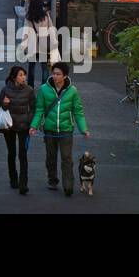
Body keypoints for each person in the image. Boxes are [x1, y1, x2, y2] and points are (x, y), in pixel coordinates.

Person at [30, 62, 90, 196]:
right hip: (49, 130)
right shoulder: (44, 89)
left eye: (58, 74)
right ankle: (52, 180)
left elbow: (78, 112)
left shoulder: (73, 91)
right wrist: (34, 126)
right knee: (51, 157)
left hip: (66, 130)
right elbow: (39, 110)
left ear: (65, 76)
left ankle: (68, 186)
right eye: (54, 73)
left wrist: (84, 129)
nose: (55, 76)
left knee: (66, 158)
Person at [0, 65, 35, 194]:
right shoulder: (5, 90)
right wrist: (5, 103)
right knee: (12, 153)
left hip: (24, 126)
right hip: (9, 127)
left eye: (24, 75)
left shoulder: (29, 90)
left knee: (22, 155)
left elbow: (34, 107)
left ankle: (23, 184)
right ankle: (13, 179)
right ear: (14, 77)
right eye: (20, 75)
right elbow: (0, 108)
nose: (23, 77)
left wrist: (29, 120)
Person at [20, 0, 59, 86]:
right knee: (44, 67)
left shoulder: (29, 17)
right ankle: (44, 87)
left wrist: (23, 46)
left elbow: (26, 32)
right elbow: (51, 29)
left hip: (32, 45)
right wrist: (54, 42)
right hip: (44, 45)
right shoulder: (45, 16)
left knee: (31, 67)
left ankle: (30, 86)